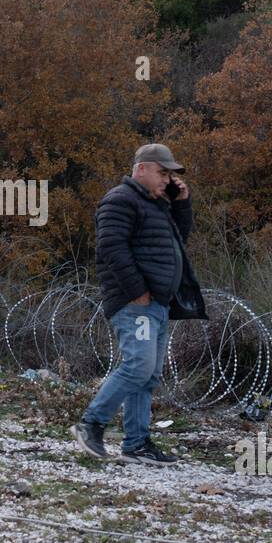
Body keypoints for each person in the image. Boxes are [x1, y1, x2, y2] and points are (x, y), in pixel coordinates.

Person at [72, 143, 206, 465]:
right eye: (162, 173)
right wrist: (137, 292)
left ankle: (137, 444)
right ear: (142, 169)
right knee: (137, 367)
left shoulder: (157, 205)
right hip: (137, 304)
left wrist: (182, 204)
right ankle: (90, 424)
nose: (167, 180)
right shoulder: (121, 199)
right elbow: (110, 246)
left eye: (171, 175)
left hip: (158, 304)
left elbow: (177, 242)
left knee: (148, 376)